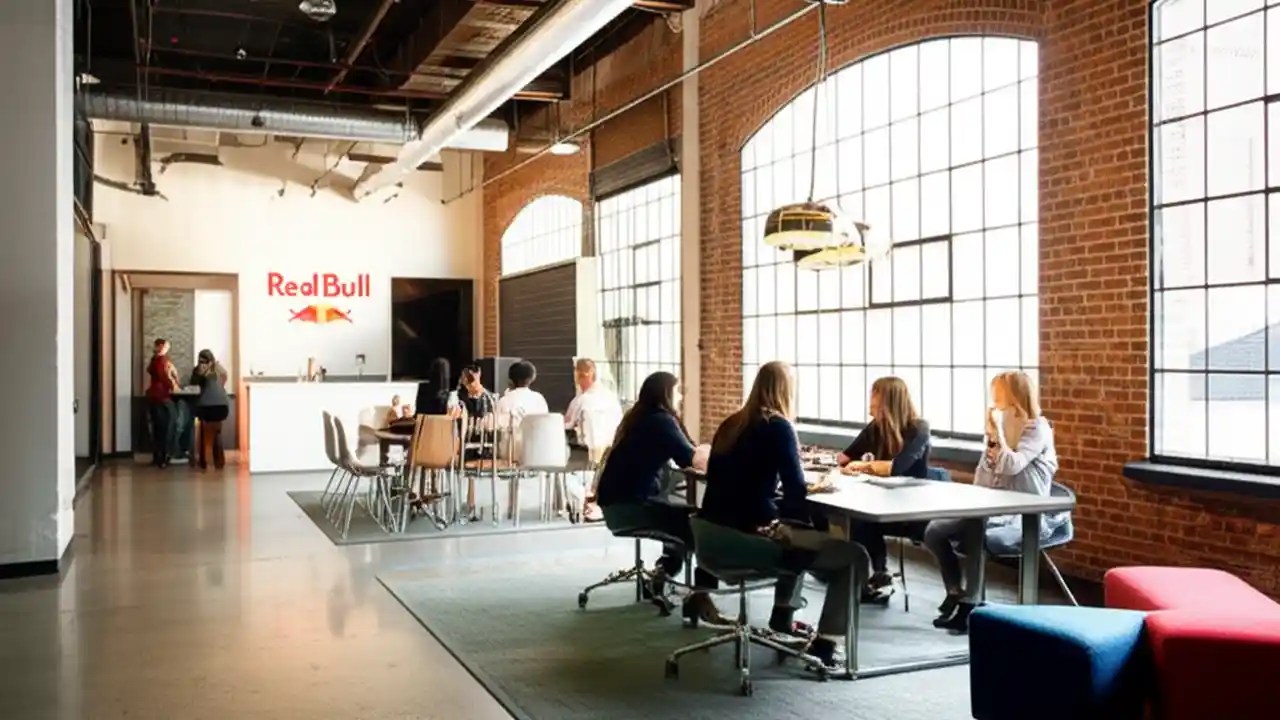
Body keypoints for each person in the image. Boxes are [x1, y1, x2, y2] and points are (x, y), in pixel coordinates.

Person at [700, 361, 871, 668]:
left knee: (797, 531)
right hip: (751, 540)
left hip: (712, 536)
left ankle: (782, 617)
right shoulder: (778, 426)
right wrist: (815, 498)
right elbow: (795, 491)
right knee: (853, 555)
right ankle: (828, 644)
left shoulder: (731, 423)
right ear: (786, 390)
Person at [923, 371, 1061, 633]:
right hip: (994, 507)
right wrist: (992, 445)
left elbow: (1012, 466)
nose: (995, 403)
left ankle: (970, 605)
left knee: (976, 529)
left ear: (1015, 397)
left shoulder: (1036, 428)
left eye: (999, 396)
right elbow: (983, 479)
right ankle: (956, 590)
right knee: (933, 531)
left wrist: (997, 435)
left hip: (1024, 514)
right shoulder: (1001, 430)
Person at [593, 372, 721, 621]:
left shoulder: (639, 417)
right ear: (666, 394)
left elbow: (686, 452)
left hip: (616, 505)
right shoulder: (660, 421)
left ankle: (663, 573)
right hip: (632, 507)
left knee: (681, 515)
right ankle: (700, 596)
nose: (682, 396)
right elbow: (690, 459)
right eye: (678, 391)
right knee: (701, 525)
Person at [835, 377, 932, 603]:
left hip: (909, 507)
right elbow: (845, 458)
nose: (871, 403)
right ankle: (869, 576)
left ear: (889, 400)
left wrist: (863, 465)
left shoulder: (918, 429)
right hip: (878, 500)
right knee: (853, 517)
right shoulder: (875, 427)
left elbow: (898, 467)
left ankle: (878, 575)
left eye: (875, 396)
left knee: (862, 520)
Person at [189, 349, 230, 470]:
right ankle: (219, 462)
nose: (202, 363)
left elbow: (194, 386)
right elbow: (224, 379)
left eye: (203, 361)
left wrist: (199, 375)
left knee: (203, 428)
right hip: (223, 407)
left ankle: (203, 460)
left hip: (205, 408)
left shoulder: (198, 370)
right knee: (216, 431)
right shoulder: (219, 368)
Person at [564, 358, 621, 443]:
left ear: (578, 375)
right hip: (612, 446)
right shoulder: (611, 397)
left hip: (585, 449)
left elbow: (568, 424)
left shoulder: (581, 400)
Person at [145, 338, 180, 469]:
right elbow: (163, 375)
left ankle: (157, 456)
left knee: (157, 428)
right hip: (161, 396)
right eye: (166, 347)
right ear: (161, 346)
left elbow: (151, 371)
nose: (167, 349)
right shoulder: (162, 360)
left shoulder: (154, 360)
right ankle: (164, 457)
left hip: (153, 396)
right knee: (167, 426)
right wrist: (172, 384)